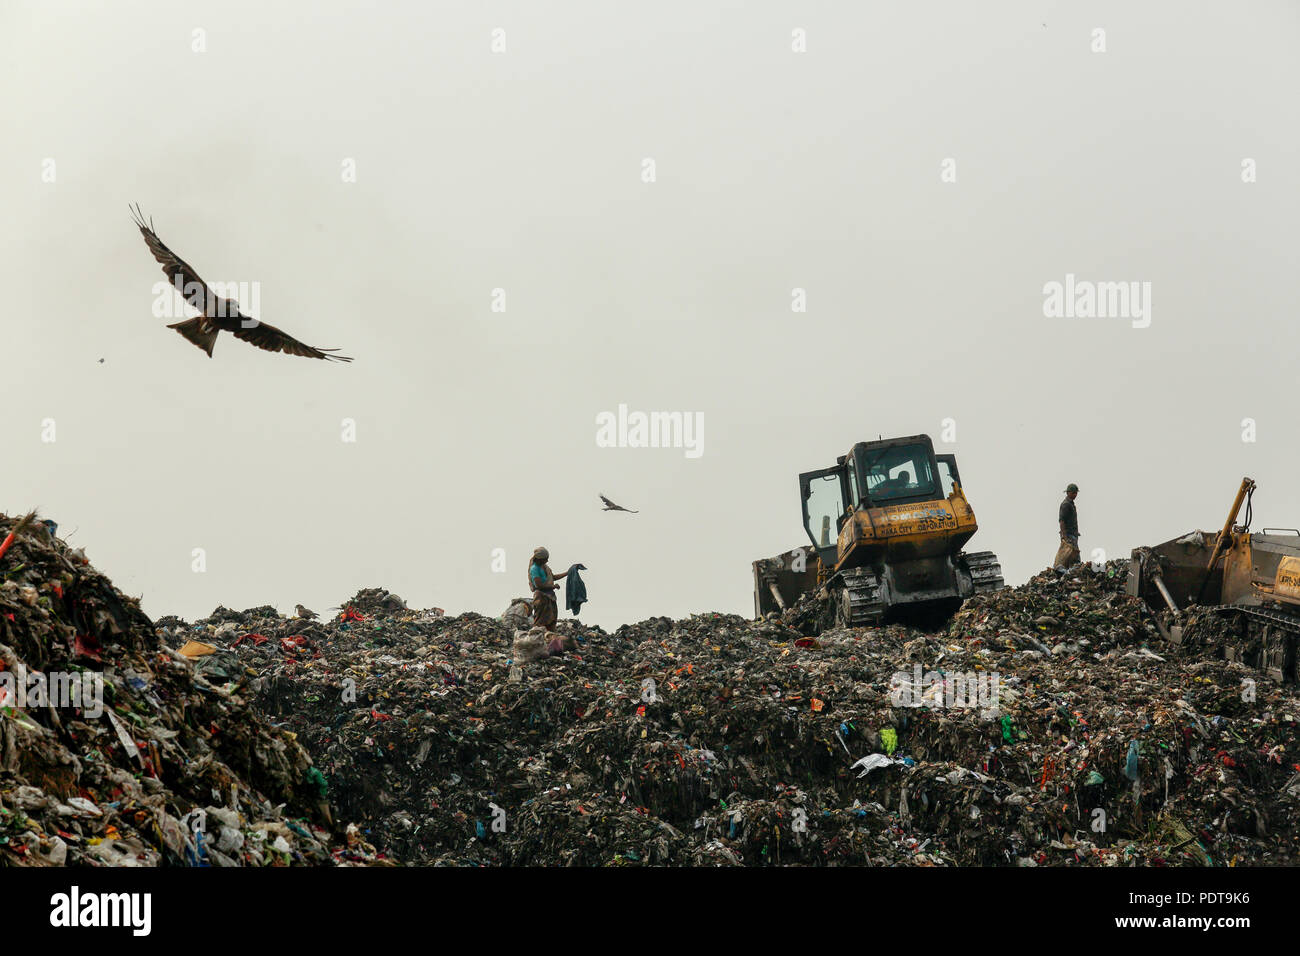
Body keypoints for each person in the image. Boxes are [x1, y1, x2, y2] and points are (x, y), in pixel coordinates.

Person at [528, 547, 571, 630]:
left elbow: (553, 577)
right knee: (540, 621)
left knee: (551, 620)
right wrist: (553, 586)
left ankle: (549, 638)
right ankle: (537, 638)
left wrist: (567, 573)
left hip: (550, 597)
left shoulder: (544, 567)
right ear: (539, 559)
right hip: (541, 598)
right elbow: (539, 585)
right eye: (545, 559)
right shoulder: (534, 569)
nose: (547, 561)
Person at [1055, 483, 1081, 570]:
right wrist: (1065, 536)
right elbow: (1062, 521)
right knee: (1072, 556)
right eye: (1073, 493)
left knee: (1072, 557)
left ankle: (1068, 572)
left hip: (1073, 534)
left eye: (1076, 493)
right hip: (1068, 535)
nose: (1075, 495)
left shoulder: (1071, 504)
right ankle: (1063, 571)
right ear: (1068, 493)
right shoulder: (1066, 504)